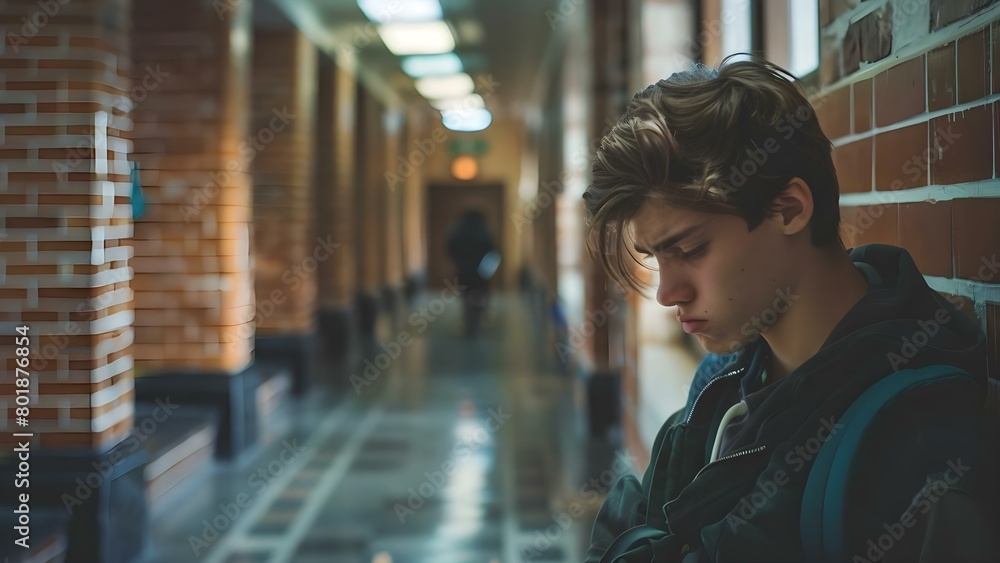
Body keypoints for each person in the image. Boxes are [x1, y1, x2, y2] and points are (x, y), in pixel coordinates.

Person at [581, 55, 997, 562]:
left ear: (789, 209)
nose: (667, 292)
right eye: (654, 257)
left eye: (690, 249)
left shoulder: (917, 442)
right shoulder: (719, 385)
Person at [446, 209, 497, 337]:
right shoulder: (483, 229)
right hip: (481, 269)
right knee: (479, 294)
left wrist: (457, 261)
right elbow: (492, 248)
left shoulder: (457, 230)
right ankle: (477, 320)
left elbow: (450, 247)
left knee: (466, 295)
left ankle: (468, 321)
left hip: (463, 268)